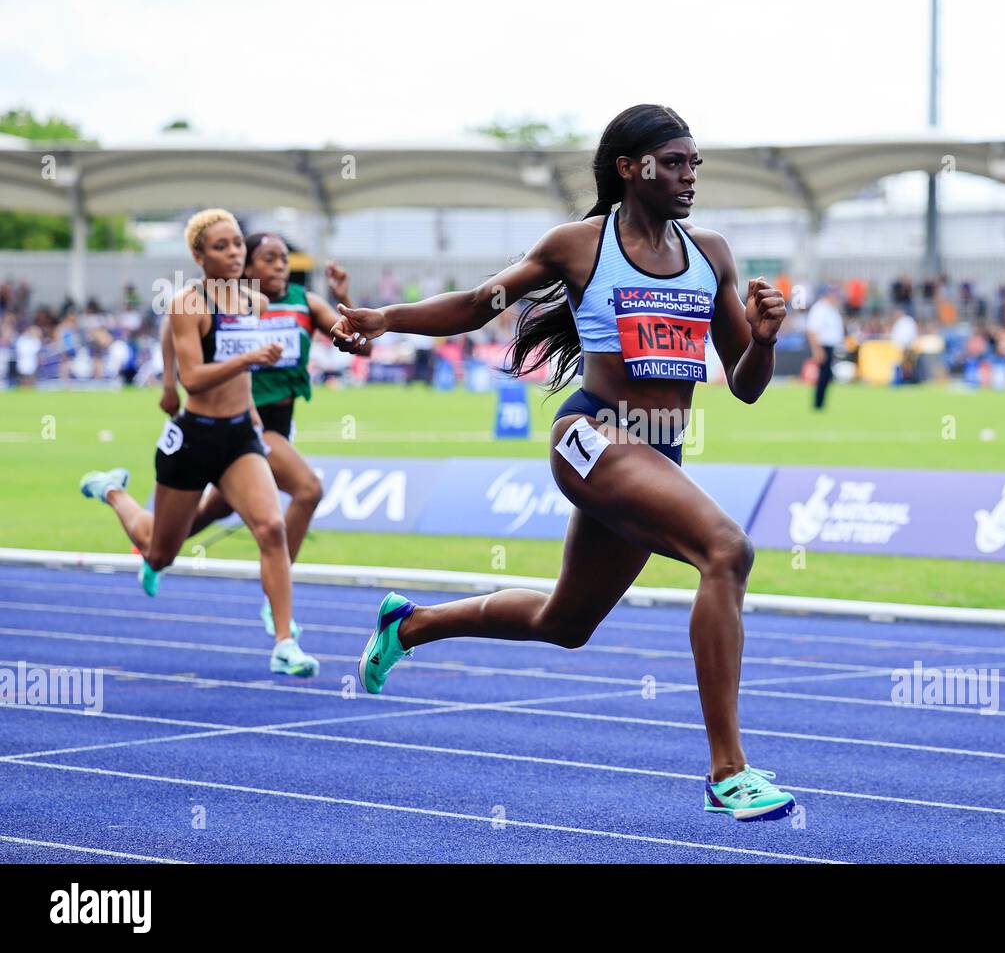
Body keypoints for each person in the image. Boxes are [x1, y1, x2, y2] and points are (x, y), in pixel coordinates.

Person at [331, 105, 795, 821]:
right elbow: (476, 305)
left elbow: (746, 385)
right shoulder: (578, 246)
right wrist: (386, 319)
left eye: (695, 163)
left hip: (658, 451)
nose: (689, 176)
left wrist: (762, 341)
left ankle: (411, 624)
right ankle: (727, 771)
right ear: (629, 168)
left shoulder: (713, 254)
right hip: (593, 438)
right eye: (674, 162)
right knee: (726, 550)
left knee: (566, 621)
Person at [79, 209, 319, 677]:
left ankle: (284, 641)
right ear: (198, 255)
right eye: (221, 247)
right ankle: (112, 490)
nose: (233, 254)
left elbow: (243, 372)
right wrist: (172, 382)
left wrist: (249, 410)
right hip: (193, 438)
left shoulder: (254, 303)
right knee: (158, 551)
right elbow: (195, 376)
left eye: (236, 245)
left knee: (271, 530)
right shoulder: (188, 304)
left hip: (237, 438)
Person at [161, 232, 366, 637]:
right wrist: (169, 383)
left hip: (275, 428)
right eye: (268, 258)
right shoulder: (233, 303)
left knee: (215, 510)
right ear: (248, 267)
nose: (279, 265)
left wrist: (348, 305)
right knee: (308, 489)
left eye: (284, 258)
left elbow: (360, 346)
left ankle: (155, 549)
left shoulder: (306, 303)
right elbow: (174, 328)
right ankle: (277, 600)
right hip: (249, 423)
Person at [806, 286, 844, 409]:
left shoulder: (831, 309)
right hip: (823, 346)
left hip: (830, 346)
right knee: (824, 375)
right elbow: (812, 331)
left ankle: (821, 402)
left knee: (827, 375)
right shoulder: (820, 309)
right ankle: (818, 403)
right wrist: (817, 350)